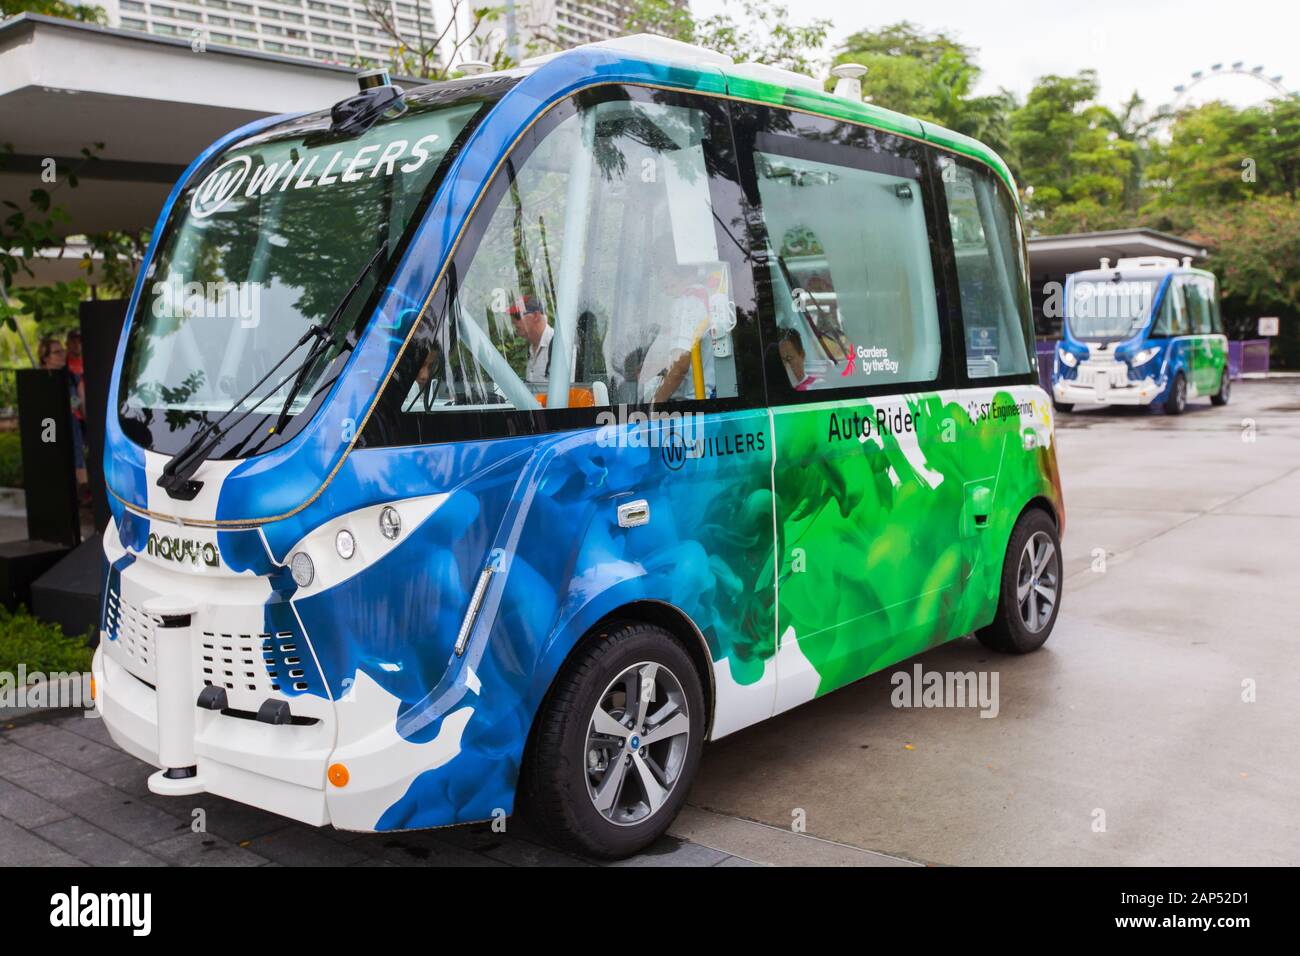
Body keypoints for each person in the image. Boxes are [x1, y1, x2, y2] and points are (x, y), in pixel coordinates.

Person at [39, 334, 89, 495]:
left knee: (78, 461)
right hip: (49, 435)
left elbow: (78, 405)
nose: (62, 354)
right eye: (57, 352)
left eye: (62, 350)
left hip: (71, 429)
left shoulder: (72, 377)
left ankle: (83, 490)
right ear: (45, 357)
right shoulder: (36, 381)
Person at [508, 294, 553, 384]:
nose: (513, 321)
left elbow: (571, 390)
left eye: (518, 315)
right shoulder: (531, 347)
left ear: (536, 315)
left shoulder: (559, 347)